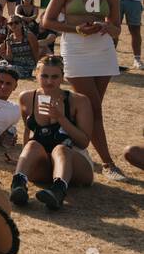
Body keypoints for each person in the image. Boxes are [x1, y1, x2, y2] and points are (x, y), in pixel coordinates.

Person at [40, 0, 123, 178]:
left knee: (92, 109)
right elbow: (47, 21)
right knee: (93, 108)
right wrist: (76, 29)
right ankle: (107, 163)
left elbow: (117, 29)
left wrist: (105, 27)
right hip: (76, 49)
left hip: (103, 51)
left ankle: (73, 146)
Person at [10, 55, 93, 210]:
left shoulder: (79, 101)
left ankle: (59, 191)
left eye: (55, 77)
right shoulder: (27, 97)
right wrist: (23, 159)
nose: (49, 81)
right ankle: (18, 185)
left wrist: (61, 118)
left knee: (61, 148)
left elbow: (83, 142)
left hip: (75, 164)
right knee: (33, 144)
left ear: (62, 77)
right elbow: (28, 131)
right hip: (44, 165)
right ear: (36, 74)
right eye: (44, 76)